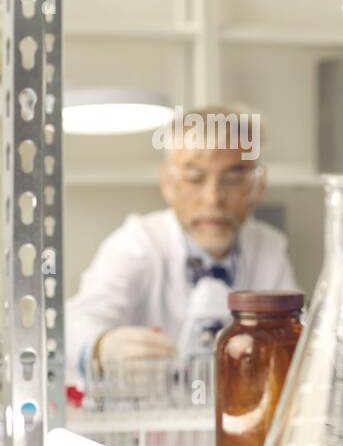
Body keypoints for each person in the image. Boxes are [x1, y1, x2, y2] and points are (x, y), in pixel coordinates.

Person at [66, 106, 298, 382]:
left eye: (233, 178)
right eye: (194, 178)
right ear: (167, 183)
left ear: (258, 184)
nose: (213, 198)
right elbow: (74, 323)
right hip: (151, 418)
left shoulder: (268, 248)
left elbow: (298, 343)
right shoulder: (138, 243)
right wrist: (101, 347)